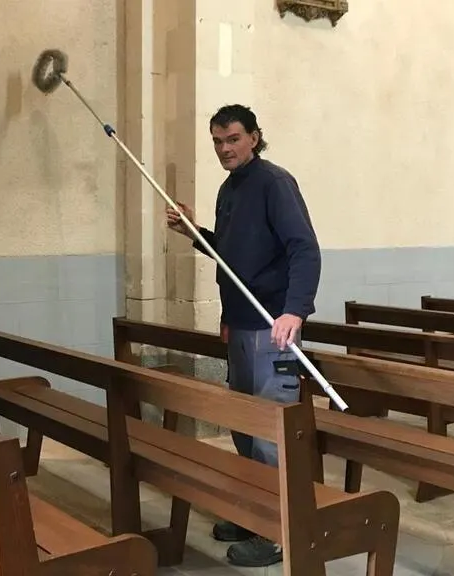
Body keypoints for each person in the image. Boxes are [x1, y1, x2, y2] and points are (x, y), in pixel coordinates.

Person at [165, 104, 321, 568]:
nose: (224, 149)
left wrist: (295, 310)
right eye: (216, 141)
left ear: (254, 137)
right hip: (241, 325)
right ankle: (255, 512)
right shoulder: (228, 189)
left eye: (232, 138)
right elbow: (231, 256)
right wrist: (193, 232)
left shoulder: (274, 183)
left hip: (273, 328)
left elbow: (304, 249)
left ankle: (276, 532)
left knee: (271, 434)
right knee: (243, 427)